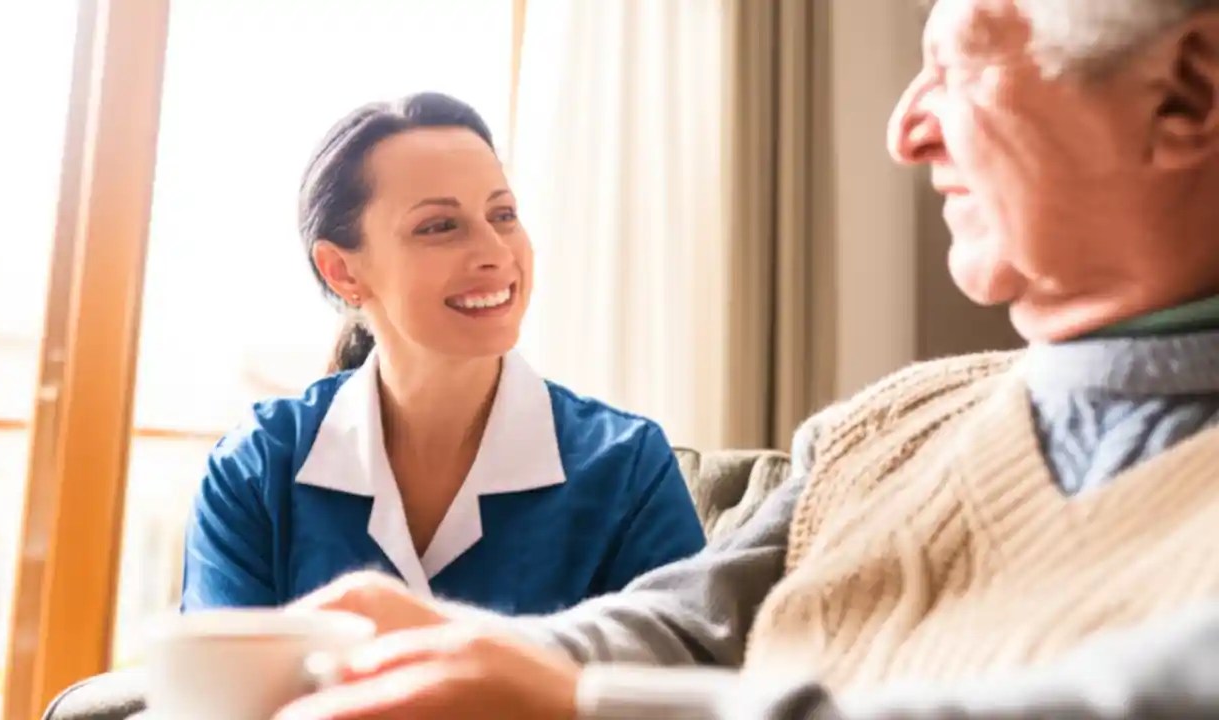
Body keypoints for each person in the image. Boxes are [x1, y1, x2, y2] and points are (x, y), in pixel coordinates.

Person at [272, 1, 1219, 718]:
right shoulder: (883, 429)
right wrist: (453, 654)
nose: (905, 130)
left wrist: (584, 707)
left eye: (960, 67)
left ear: (1190, 94)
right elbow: (690, 626)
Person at [179, 93, 705, 615]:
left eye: (503, 215)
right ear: (342, 271)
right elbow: (221, 692)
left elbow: (673, 687)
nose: (497, 254)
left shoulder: (630, 470)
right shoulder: (255, 471)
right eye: (439, 226)